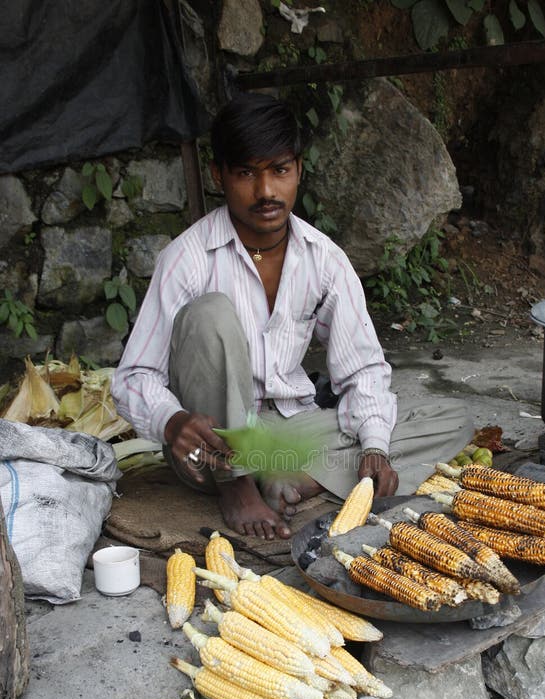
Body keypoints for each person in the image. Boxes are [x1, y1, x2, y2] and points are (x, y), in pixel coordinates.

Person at [112, 92, 473, 540]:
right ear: (218, 175)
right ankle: (240, 485)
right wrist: (171, 421)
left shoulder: (323, 259)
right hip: (212, 447)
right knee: (211, 314)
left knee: (451, 417)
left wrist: (376, 445)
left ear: (299, 169)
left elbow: (362, 368)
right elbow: (132, 377)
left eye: (280, 171)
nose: (266, 192)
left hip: (293, 431)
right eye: (246, 173)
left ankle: (296, 477)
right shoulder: (187, 258)